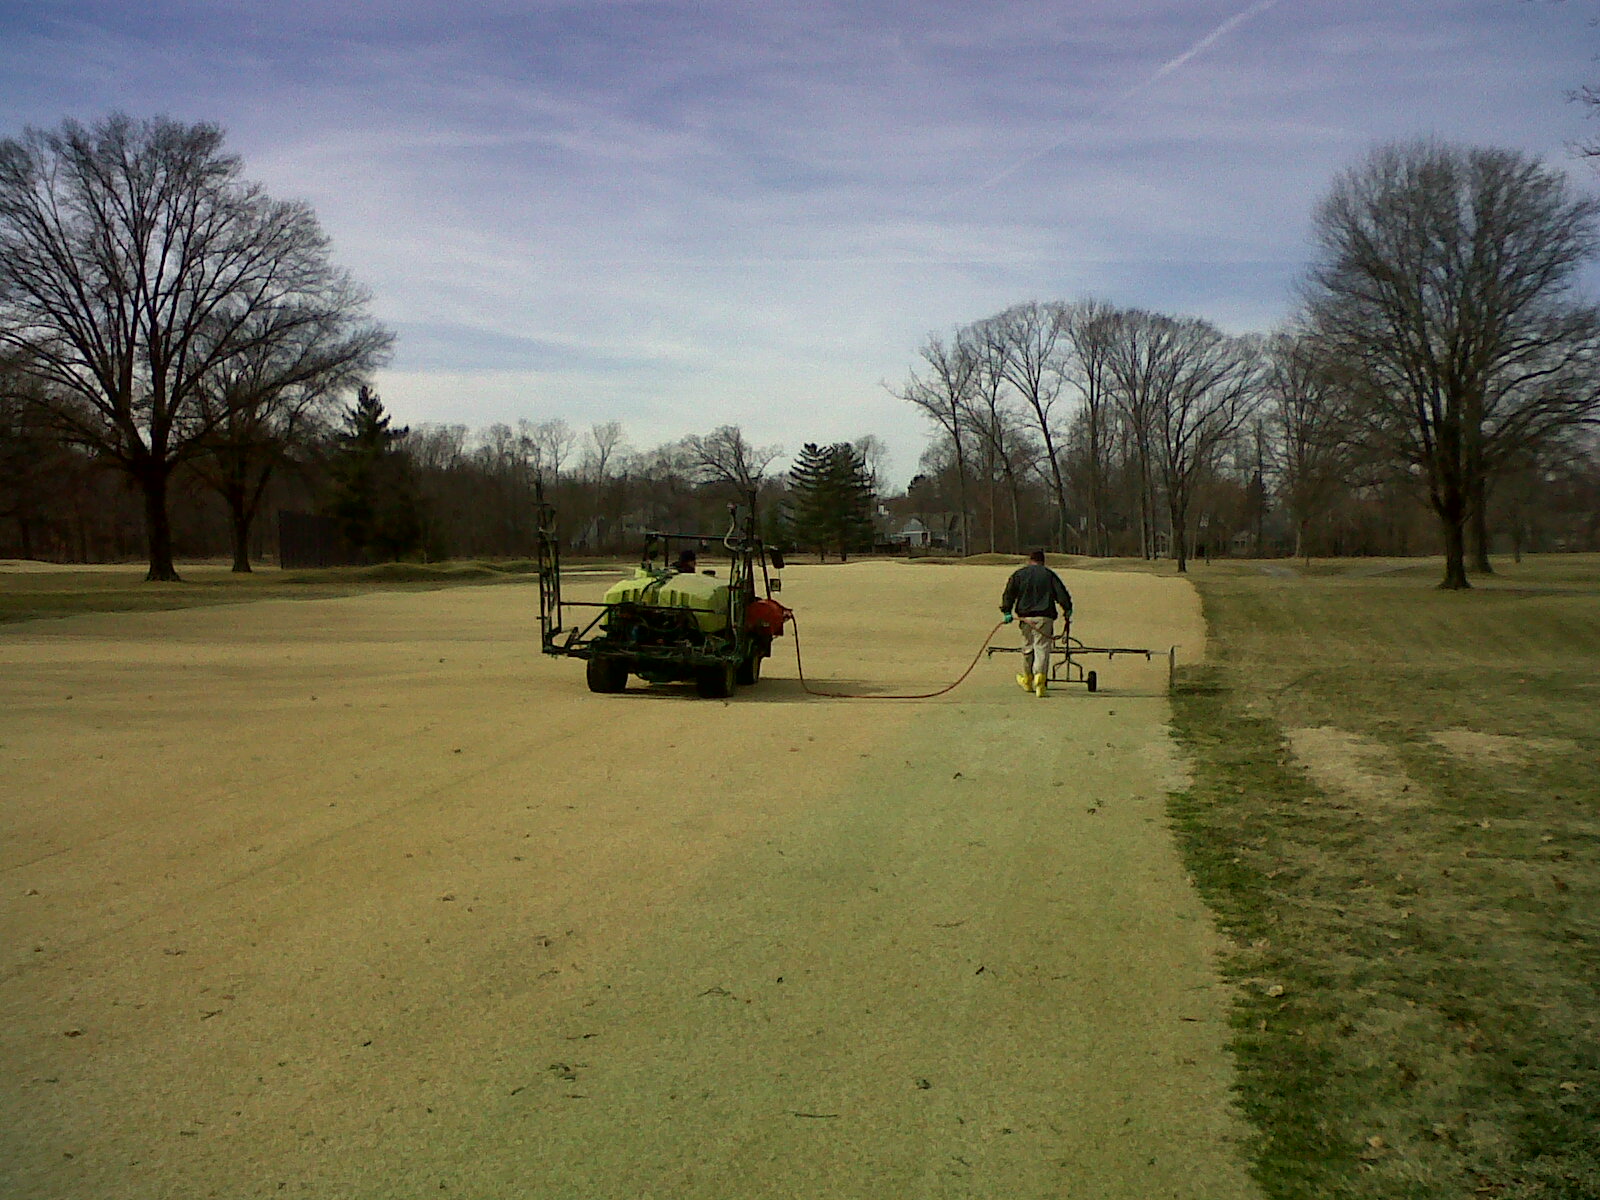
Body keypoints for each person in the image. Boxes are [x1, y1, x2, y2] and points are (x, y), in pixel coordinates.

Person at [999, 549, 1072, 697]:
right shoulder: (1049, 574)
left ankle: (1028, 679)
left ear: (1029, 560)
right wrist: (1067, 609)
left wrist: (1007, 611)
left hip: (1025, 618)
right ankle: (1040, 678)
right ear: (1043, 561)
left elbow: (1009, 592)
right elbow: (1061, 594)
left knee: (1027, 648)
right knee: (1042, 648)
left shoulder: (1019, 574)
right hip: (1045, 617)